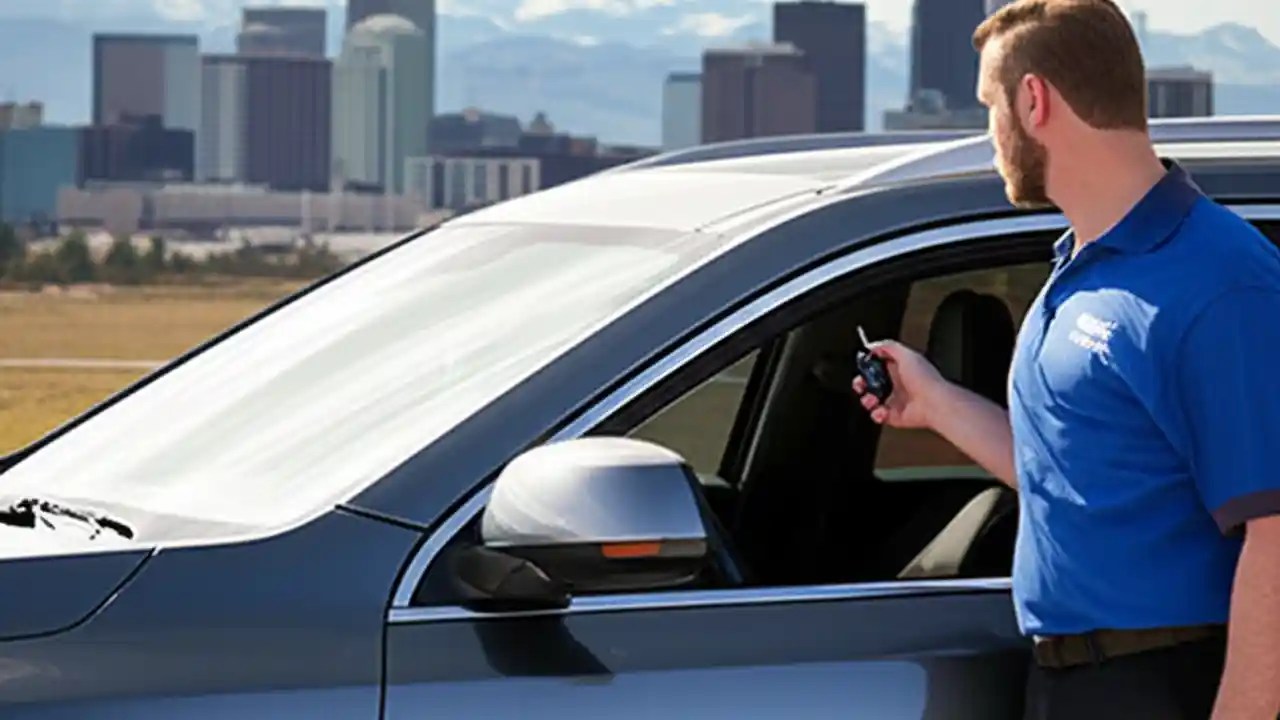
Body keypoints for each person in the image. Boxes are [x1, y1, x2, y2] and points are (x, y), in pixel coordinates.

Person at [852, 1, 1280, 718]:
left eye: (990, 106)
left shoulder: (1222, 282)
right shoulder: (1079, 265)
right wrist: (934, 402)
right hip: (1070, 685)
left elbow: (1276, 532)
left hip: (1168, 683)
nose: (990, 135)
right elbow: (1068, 475)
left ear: (1033, 99)